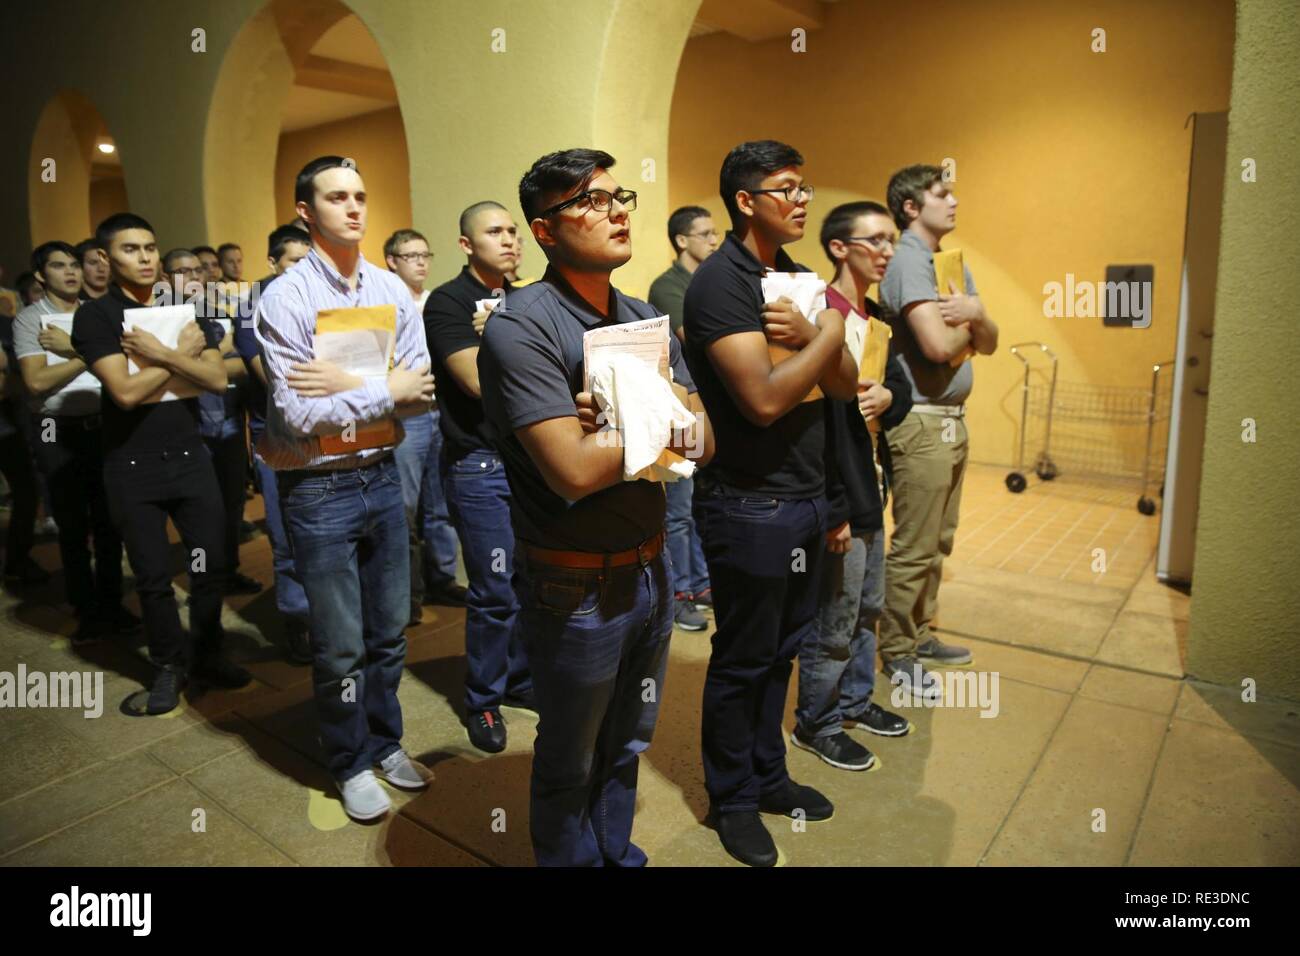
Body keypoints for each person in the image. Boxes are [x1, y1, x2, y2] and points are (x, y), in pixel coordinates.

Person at [478, 148, 713, 866]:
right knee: (571, 750)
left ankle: (616, 850)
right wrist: (648, 420)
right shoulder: (522, 326)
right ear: (544, 231)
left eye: (619, 197)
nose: (614, 211)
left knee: (629, 737)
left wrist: (619, 418)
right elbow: (574, 472)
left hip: (650, 564)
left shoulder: (641, 315)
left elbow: (701, 440)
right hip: (574, 579)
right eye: (588, 201)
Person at [682, 140, 857, 867]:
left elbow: (843, 385)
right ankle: (732, 800)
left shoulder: (797, 276)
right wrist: (833, 334)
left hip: (805, 496)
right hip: (750, 504)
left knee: (783, 652)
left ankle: (768, 774)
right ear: (746, 200)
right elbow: (760, 401)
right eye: (785, 188)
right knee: (744, 658)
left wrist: (819, 337)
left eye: (805, 185)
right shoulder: (721, 283)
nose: (802, 199)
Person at [254, 156, 436, 822]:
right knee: (339, 645)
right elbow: (299, 416)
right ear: (307, 211)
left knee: (389, 633)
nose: (353, 207)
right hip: (319, 487)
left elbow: (423, 395)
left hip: (382, 476)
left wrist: (347, 390)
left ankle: (385, 743)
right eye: (336, 198)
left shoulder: (389, 288)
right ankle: (349, 760)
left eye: (360, 195)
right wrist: (382, 388)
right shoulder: (288, 296)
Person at [72, 212, 247, 715]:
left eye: (150, 247)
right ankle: (169, 666)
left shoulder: (185, 308)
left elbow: (215, 381)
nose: (146, 258)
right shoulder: (97, 317)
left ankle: (209, 653)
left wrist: (157, 355)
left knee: (209, 567)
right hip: (132, 463)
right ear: (106, 258)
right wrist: (175, 356)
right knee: (152, 576)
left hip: (192, 455)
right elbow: (125, 393)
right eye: (131, 249)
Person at [790, 201, 913, 771]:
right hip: (839, 488)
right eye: (876, 241)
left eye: (892, 241)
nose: (887, 252)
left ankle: (856, 703)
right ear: (839, 247)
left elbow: (900, 388)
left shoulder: (878, 314)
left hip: (871, 481)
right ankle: (817, 722)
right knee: (833, 619)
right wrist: (832, 506)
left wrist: (891, 396)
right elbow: (813, 423)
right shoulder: (819, 312)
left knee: (867, 609)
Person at [877, 165, 999, 697]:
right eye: (941, 194)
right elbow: (936, 347)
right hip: (922, 421)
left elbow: (989, 341)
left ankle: (922, 633)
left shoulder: (947, 262)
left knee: (939, 541)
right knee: (915, 544)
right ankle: (898, 651)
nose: (953, 202)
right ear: (911, 206)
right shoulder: (907, 260)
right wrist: (972, 322)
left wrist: (975, 315)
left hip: (952, 419)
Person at [423, 201, 533, 753]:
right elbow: (475, 384)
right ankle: (483, 701)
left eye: (513, 230)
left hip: (531, 459)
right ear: (467, 245)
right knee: (493, 589)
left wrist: (504, 332)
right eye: (495, 232)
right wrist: (510, 343)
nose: (509, 240)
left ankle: (518, 678)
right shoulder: (448, 301)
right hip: (480, 464)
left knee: (528, 581)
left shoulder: (528, 295)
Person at [14, 240, 135, 639]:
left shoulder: (94, 313)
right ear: (40, 275)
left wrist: (78, 351)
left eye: (74, 264)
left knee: (109, 521)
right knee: (71, 523)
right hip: (57, 432)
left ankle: (113, 603)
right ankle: (85, 607)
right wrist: (92, 354)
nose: (70, 272)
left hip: (104, 425)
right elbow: (35, 381)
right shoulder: (31, 319)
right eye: (58, 266)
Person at [162, 249, 261, 597]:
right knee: (197, 515)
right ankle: (202, 579)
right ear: (165, 279)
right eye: (181, 272)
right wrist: (212, 363)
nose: (191, 277)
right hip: (189, 430)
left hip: (229, 424)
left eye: (197, 271)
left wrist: (205, 366)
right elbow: (170, 372)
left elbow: (244, 365)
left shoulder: (219, 314)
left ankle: (229, 572)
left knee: (232, 505)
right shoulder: (159, 321)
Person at [234, 224, 313, 663]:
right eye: (294, 262)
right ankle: (298, 619)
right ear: (272, 262)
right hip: (277, 437)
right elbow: (269, 377)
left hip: (327, 434)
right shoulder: (254, 304)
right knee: (285, 536)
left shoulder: (320, 295)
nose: (303, 270)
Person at [382, 228, 464, 626]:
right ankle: (408, 593)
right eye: (409, 255)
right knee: (405, 508)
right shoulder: (383, 304)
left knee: (441, 504)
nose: (420, 262)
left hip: (440, 412)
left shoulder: (437, 302)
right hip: (407, 417)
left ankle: (442, 578)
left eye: (424, 254)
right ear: (391, 262)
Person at [647, 205, 719, 632]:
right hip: (678, 408)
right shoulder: (669, 285)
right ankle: (679, 592)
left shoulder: (708, 282)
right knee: (678, 510)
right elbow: (694, 340)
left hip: (708, 408)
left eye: (715, 233)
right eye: (705, 233)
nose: (713, 241)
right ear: (681, 240)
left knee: (697, 507)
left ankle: (700, 582)